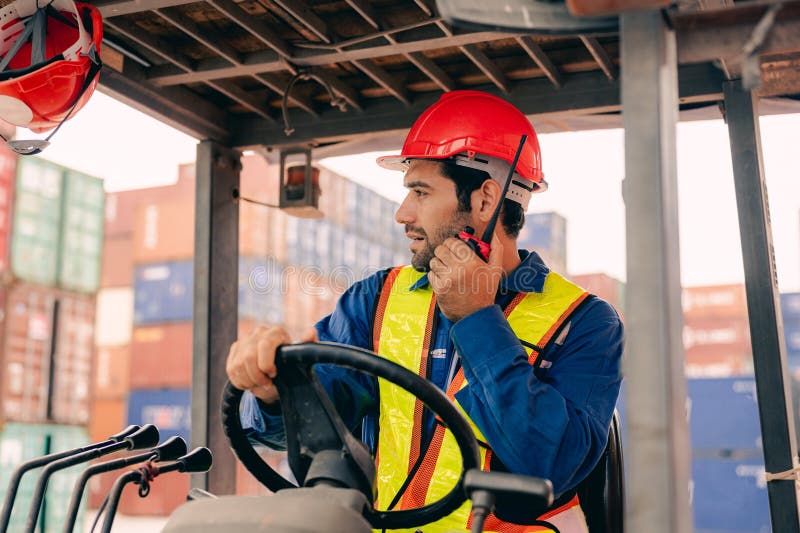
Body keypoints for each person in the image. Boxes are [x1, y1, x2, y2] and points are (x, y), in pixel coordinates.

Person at [227, 90, 624, 532]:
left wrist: (477, 321)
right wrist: (272, 392)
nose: (402, 213)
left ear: (485, 200)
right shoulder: (375, 300)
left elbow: (550, 465)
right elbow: (304, 426)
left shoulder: (586, 322)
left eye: (420, 191)